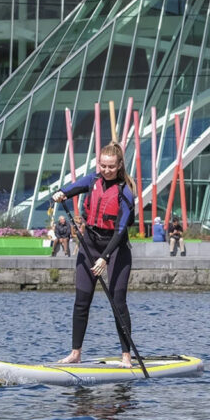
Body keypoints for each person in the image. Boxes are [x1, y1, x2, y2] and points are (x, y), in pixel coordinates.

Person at [51, 142, 136, 368]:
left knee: (118, 303)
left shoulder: (125, 192)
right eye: (103, 165)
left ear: (119, 166)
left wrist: (104, 257)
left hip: (115, 248)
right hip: (89, 244)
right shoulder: (92, 181)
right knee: (81, 301)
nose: (106, 170)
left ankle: (126, 355)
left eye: (111, 166)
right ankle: (75, 353)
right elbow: (71, 188)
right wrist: (60, 194)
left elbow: (120, 231)